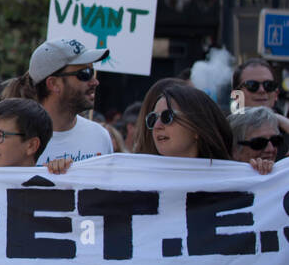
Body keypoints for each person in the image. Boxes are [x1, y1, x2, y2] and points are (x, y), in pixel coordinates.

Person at [16, 38, 114, 165]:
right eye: (85, 73)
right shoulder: (12, 141)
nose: (95, 82)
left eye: (93, 72)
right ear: (53, 83)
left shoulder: (100, 137)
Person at [140, 83, 272, 173]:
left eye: (167, 117)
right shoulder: (138, 177)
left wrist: (263, 174)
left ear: (196, 127)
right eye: (153, 119)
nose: (157, 126)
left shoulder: (234, 178)